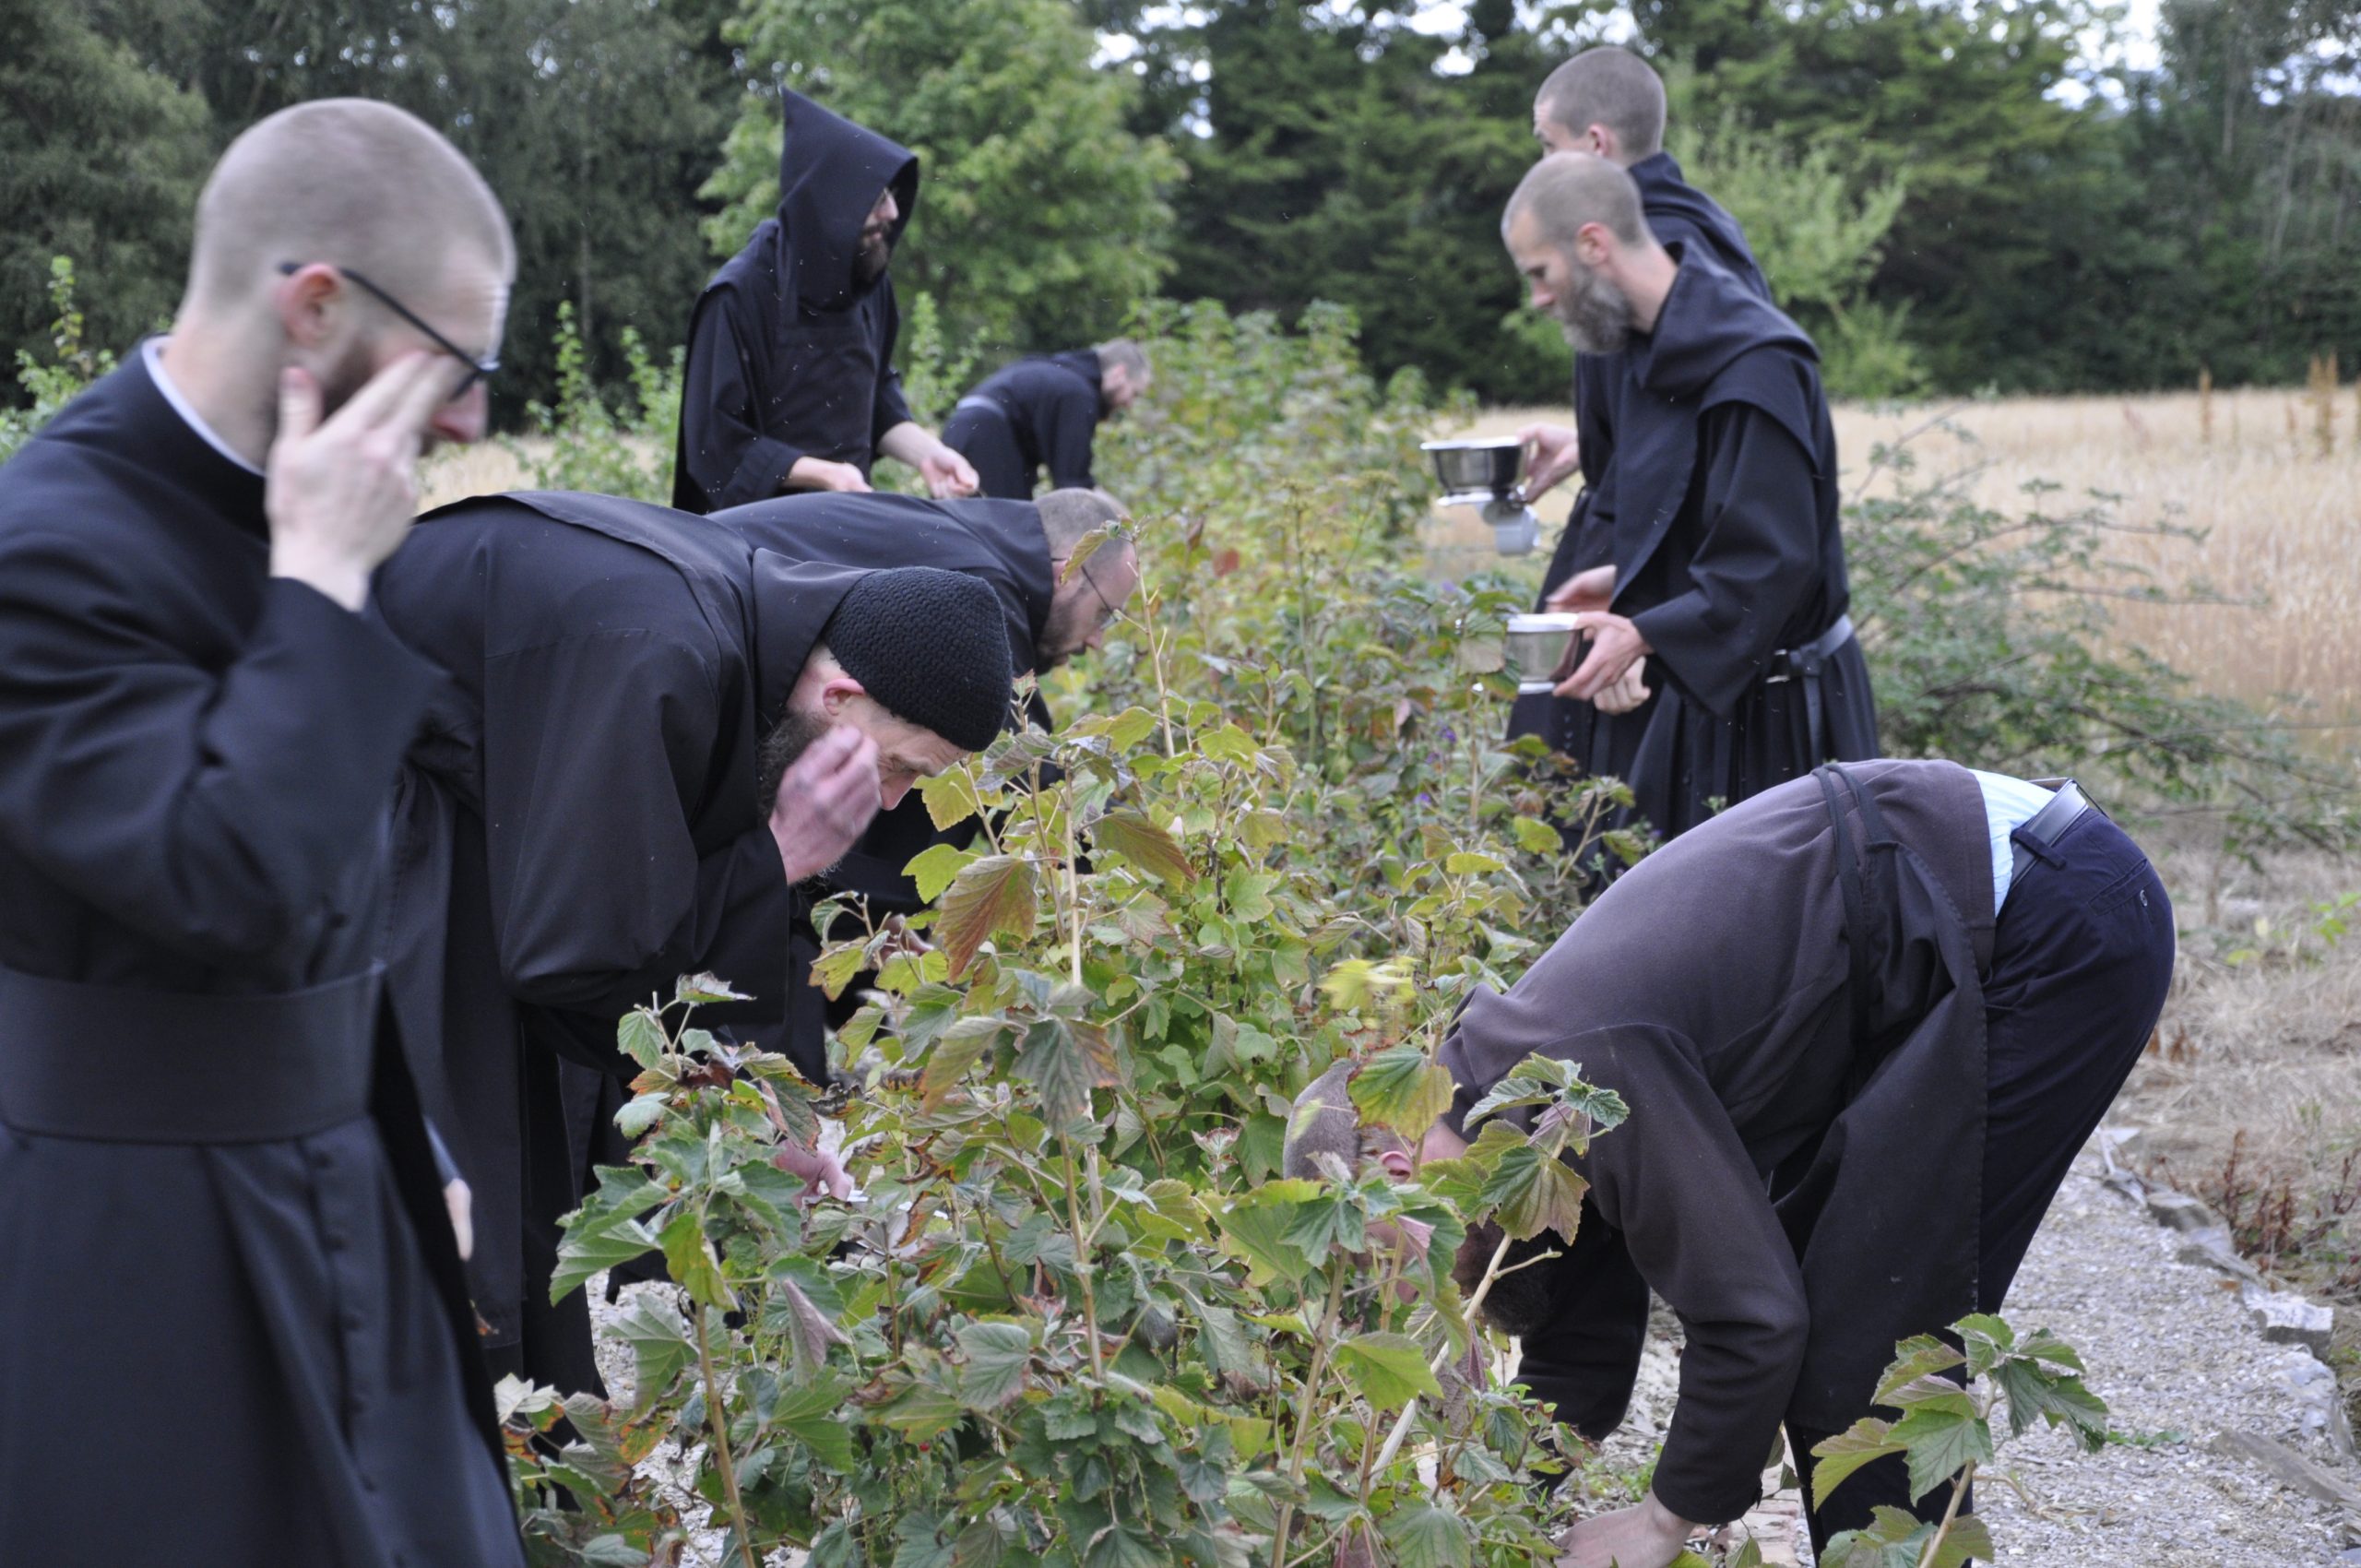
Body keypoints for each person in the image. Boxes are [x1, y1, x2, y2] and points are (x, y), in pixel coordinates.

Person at [0, 100, 523, 1566]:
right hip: (136, 1252)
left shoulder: (302, 507)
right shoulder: (46, 546)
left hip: (339, 1176)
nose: (470, 423)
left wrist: (406, 1127)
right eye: (457, 365)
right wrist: (319, 588)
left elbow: (332, 878)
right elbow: (224, 881)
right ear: (316, 307)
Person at [1291, 760, 2174, 1562]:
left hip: (2052, 919)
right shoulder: (1520, 1113)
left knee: (1867, 1342)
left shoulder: (1584, 1065)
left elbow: (1757, 1320)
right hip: (1987, 907)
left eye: (1383, 1266)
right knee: (1843, 1301)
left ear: (1397, 1172)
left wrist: (1662, 1523)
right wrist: (1467, 1524)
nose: (1415, 1295)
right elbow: (1579, 1351)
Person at [373, 489, 1015, 1394]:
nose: (890, 801)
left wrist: (761, 1122)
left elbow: (652, 909)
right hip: (357, 799)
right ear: (841, 697)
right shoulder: (665, 655)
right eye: (902, 767)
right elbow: (573, 960)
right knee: (452, 1235)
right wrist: (778, 855)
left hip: (473, 823)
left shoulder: (759, 649)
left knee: (511, 1205)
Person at [1501, 153, 1876, 844]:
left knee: (1780, 912)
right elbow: (1703, 520)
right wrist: (1629, 583)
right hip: (1711, 713)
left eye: (1541, 273)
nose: (1539, 299)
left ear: (1593, 244)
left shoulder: (1755, 365)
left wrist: (1645, 630)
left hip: (1786, 722)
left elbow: (1770, 568)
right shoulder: (1653, 353)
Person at [708, 486, 1139, 1066]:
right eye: (1105, 614)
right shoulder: (977, 593)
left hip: (723, 659)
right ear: (1069, 573)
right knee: (772, 907)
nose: (1096, 640)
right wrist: (1131, 864)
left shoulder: (977, 541)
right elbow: (1030, 774)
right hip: (695, 658)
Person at [1509, 46, 1773, 818]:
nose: (1541, 167)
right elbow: (1671, 419)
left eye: (1547, 146)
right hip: (1639, 561)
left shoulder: (1665, 246)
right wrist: (1593, 445)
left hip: (1651, 575)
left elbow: (1703, 456)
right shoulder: (1692, 226)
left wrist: (1639, 616)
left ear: (1595, 145)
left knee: (1604, 822)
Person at [673, 89, 978, 513]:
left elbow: (875, 396)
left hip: (844, 520)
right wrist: (825, 474)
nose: (892, 213)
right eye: (876, 199)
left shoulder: (868, 284)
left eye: (892, 195)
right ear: (832, 201)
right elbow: (714, 443)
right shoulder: (739, 296)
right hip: (753, 532)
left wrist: (929, 454)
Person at [940, 341, 1151, 499]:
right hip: (989, 439)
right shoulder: (1077, 393)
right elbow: (1074, 487)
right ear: (1119, 373)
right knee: (1004, 534)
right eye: (1134, 393)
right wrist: (1123, 521)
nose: (1129, 404)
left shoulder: (1054, 370)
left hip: (958, 428)